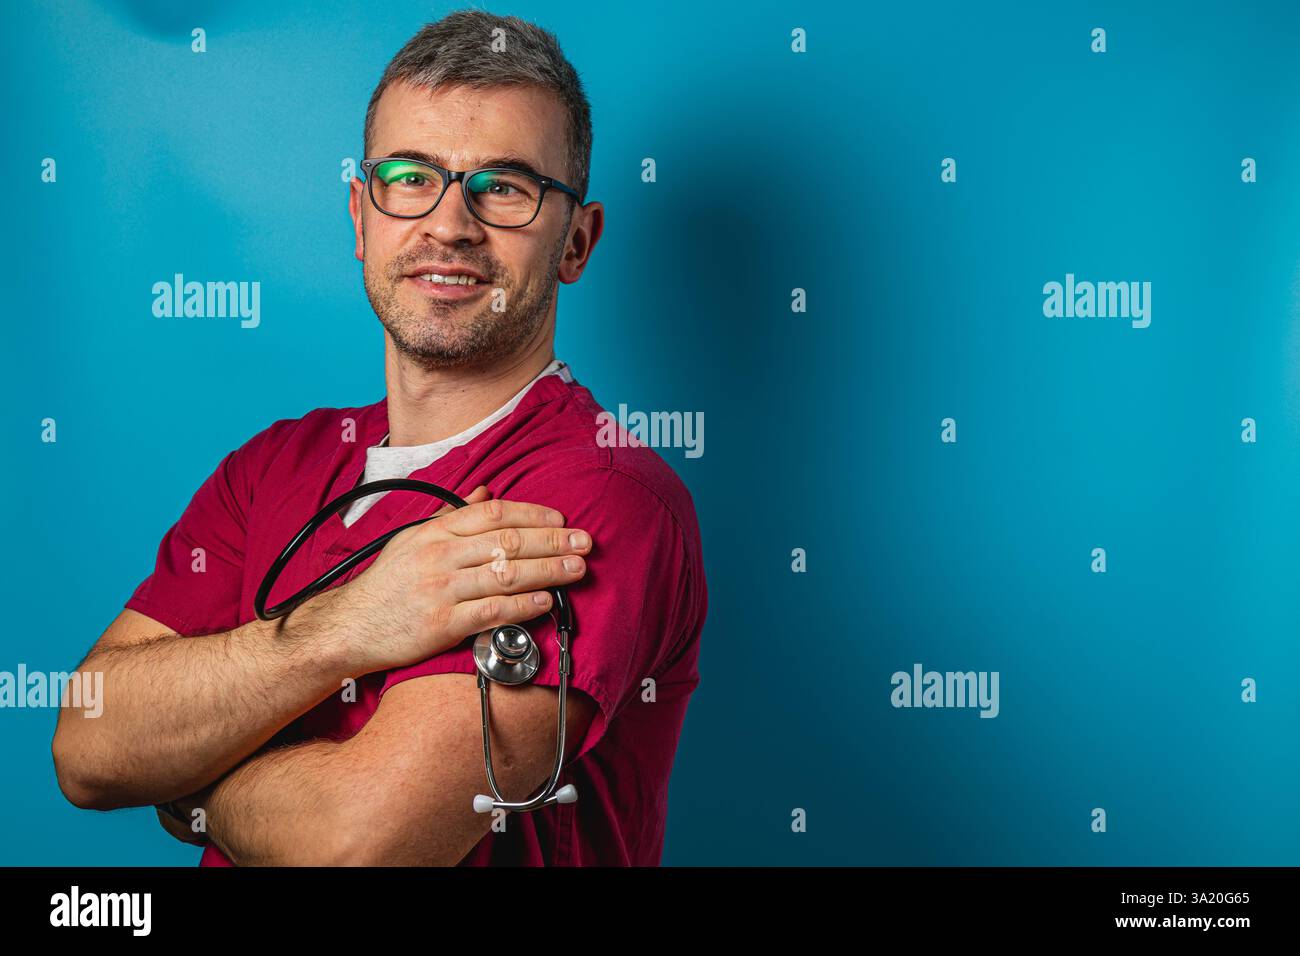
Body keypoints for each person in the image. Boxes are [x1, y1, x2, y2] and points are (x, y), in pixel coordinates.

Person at [51, 9, 707, 867]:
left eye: (503, 187)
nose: (449, 225)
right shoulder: (272, 467)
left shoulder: (600, 499)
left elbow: (357, 845)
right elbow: (87, 747)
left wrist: (193, 788)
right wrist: (349, 623)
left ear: (576, 242)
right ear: (362, 217)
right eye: (410, 178)